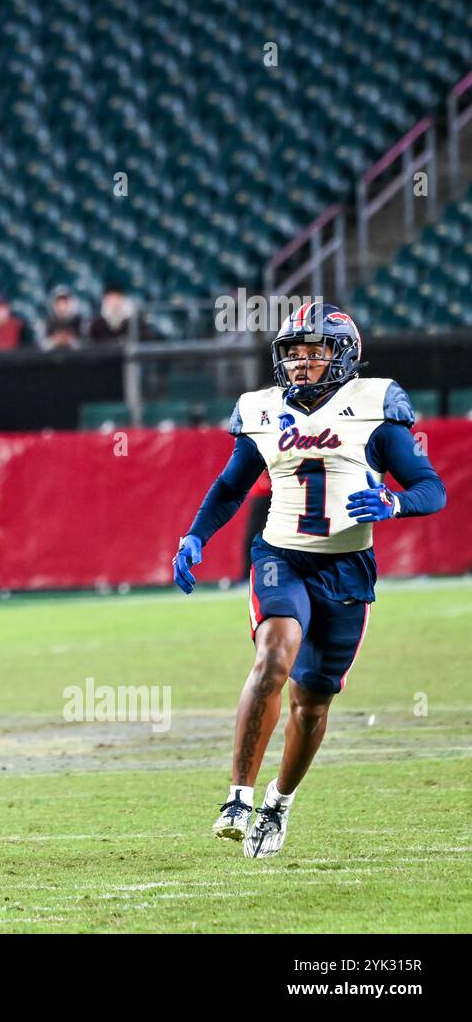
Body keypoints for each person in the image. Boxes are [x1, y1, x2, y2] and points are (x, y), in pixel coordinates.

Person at [172, 303, 446, 859]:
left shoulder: (373, 406)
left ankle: (278, 802)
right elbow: (230, 488)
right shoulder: (263, 411)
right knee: (274, 656)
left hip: (347, 567)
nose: (300, 362)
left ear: (341, 355)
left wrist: (394, 501)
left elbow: (430, 487)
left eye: (313, 351)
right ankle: (238, 797)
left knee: (313, 703)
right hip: (281, 556)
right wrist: (195, 536)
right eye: (292, 352)